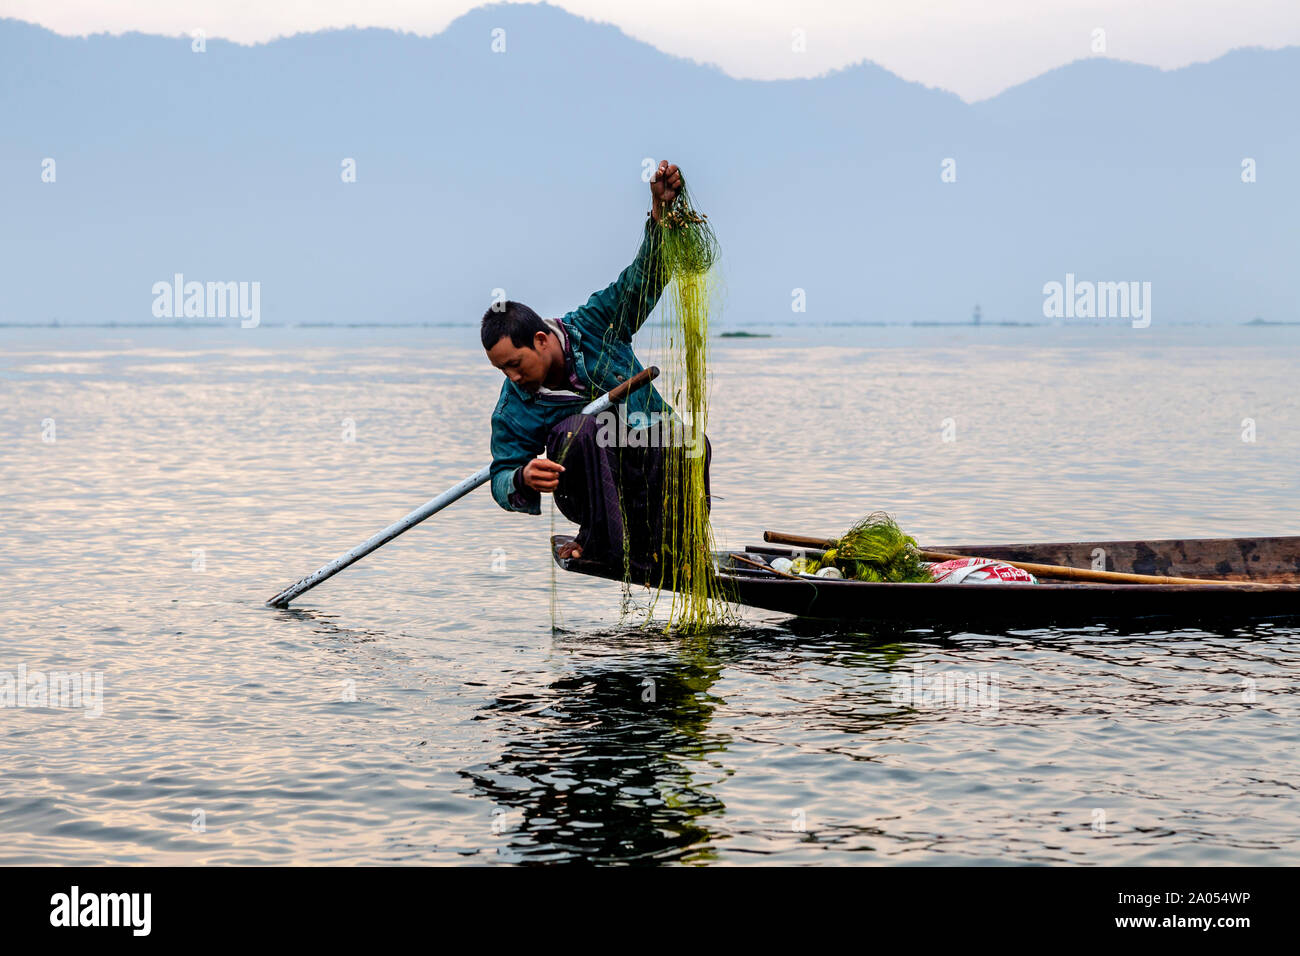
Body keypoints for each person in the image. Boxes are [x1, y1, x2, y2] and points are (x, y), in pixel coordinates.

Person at [481, 161, 712, 577]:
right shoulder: (513, 406)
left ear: (541, 340)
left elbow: (641, 279)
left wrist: (660, 216)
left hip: (649, 478)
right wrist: (522, 477)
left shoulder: (597, 324)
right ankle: (603, 544)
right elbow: (500, 475)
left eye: (515, 365)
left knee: (689, 439)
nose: (512, 378)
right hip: (588, 498)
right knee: (582, 430)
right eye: (502, 371)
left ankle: (680, 544)